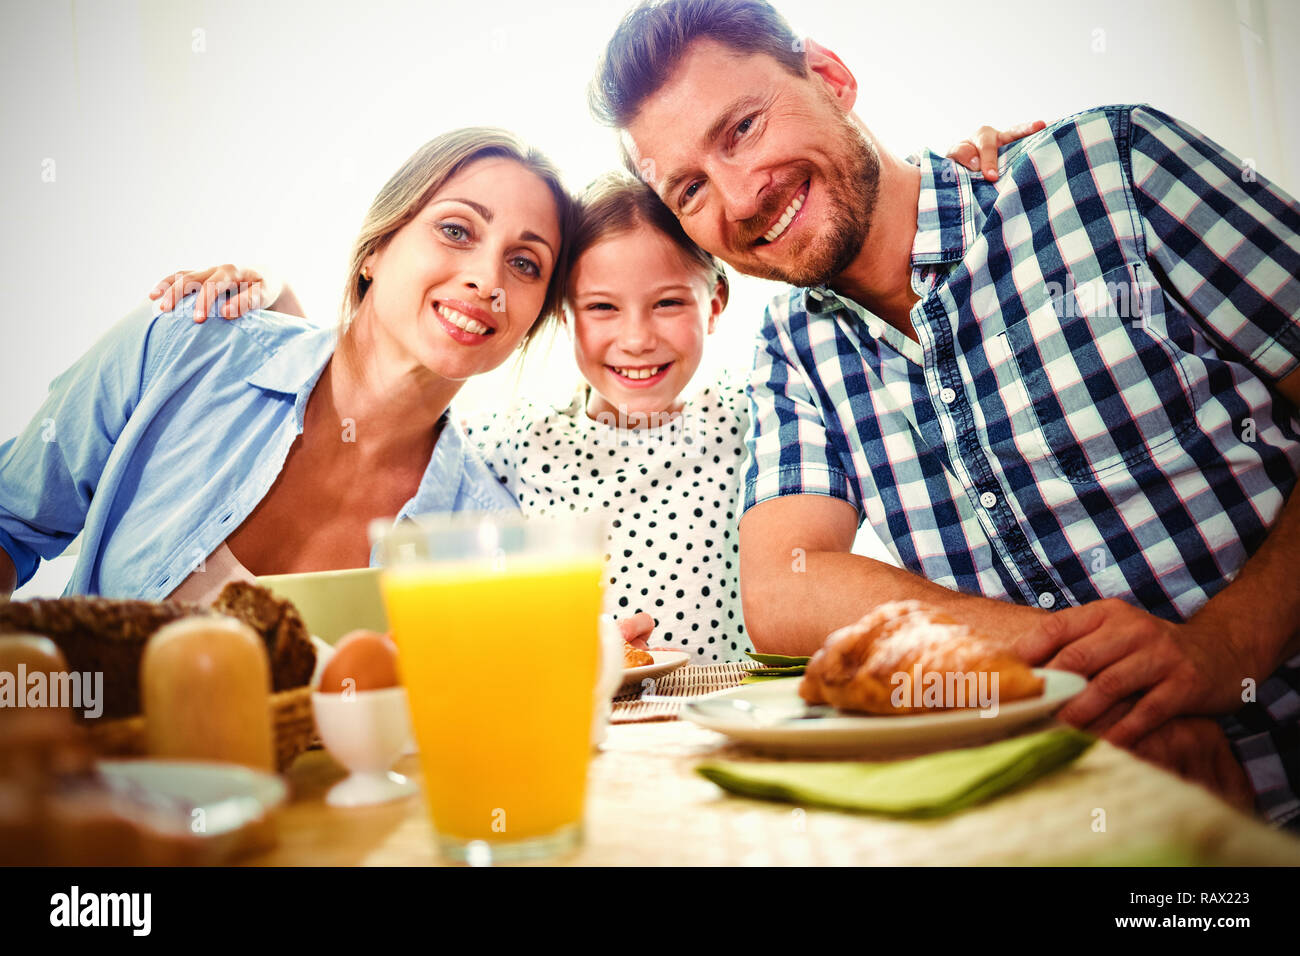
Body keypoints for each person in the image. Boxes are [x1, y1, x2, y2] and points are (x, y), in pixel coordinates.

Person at [590, 0, 1300, 823]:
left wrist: (1226, 644)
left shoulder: (1112, 171)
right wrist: (1076, 681)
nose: (741, 198)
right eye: (690, 188)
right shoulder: (794, 342)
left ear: (830, 77)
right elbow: (784, 588)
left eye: (742, 128)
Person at [0, 127, 575, 602]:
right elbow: (10, 520)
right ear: (376, 248)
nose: (487, 279)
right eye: (456, 230)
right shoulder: (182, 343)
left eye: (525, 264)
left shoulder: (478, 536)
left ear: (532, 322)